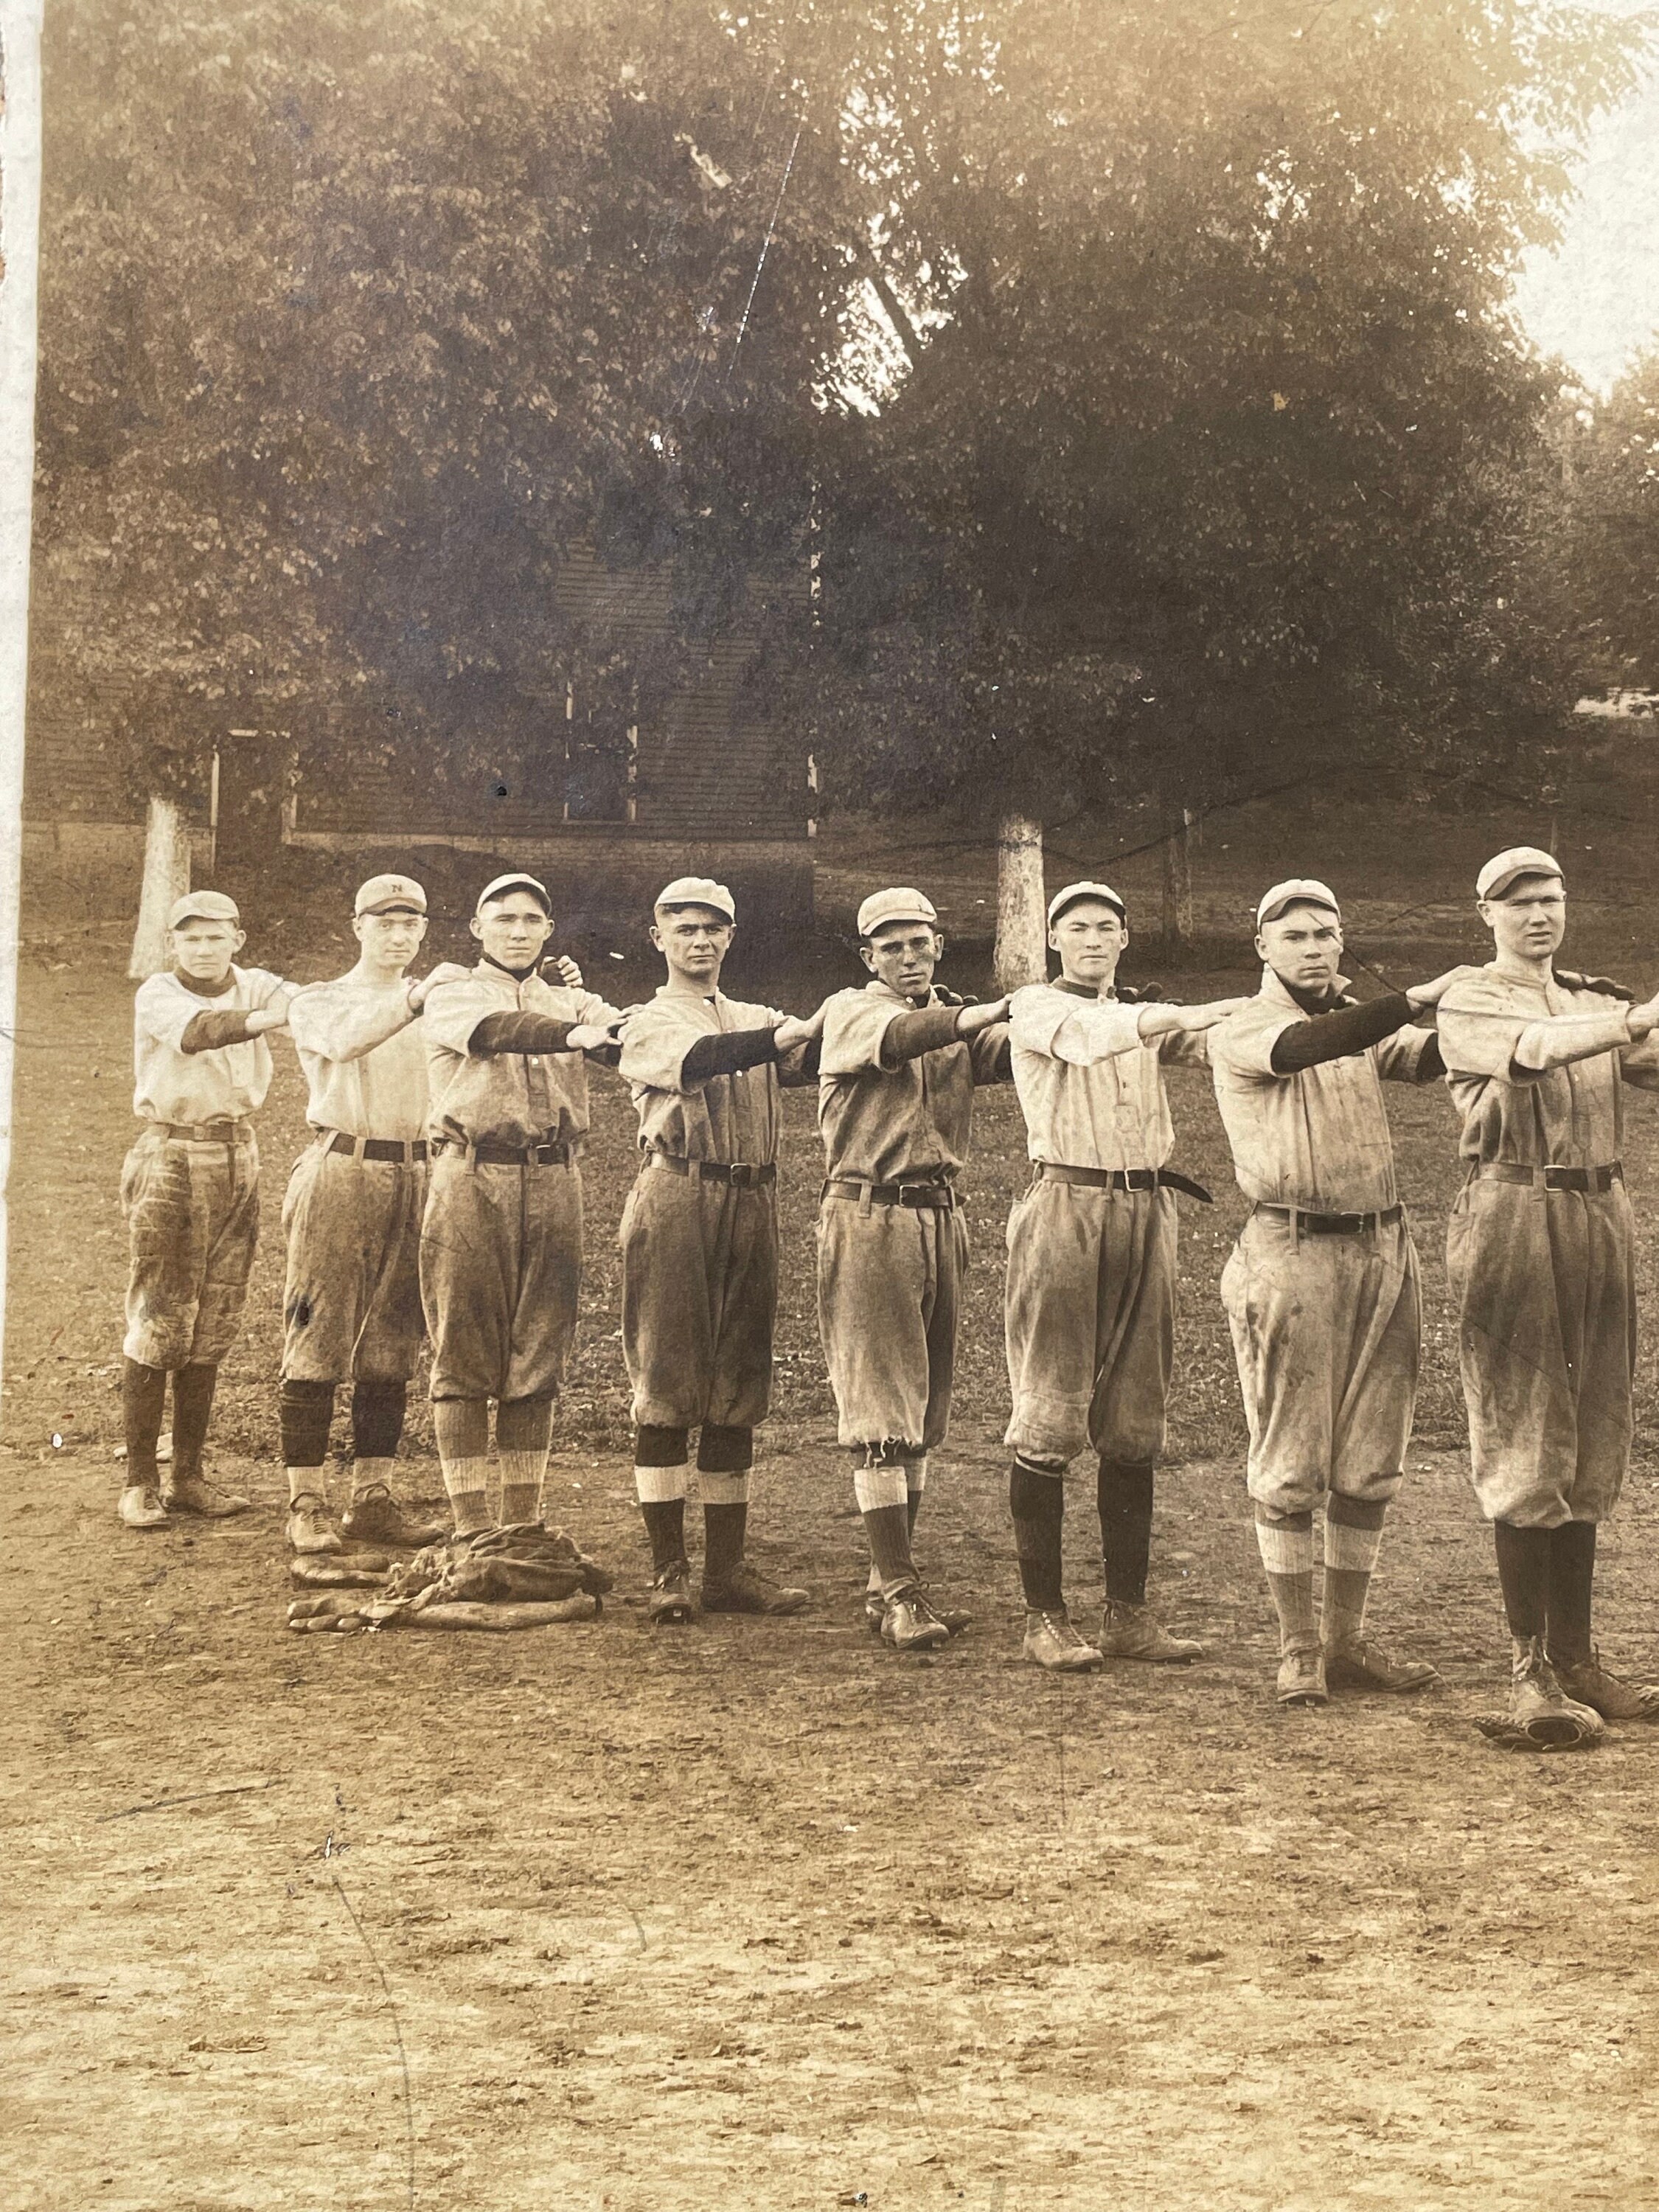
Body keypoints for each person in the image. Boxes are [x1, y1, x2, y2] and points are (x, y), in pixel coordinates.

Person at [1208, 878, 1469, 1705]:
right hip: (1292, 1249)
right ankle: (1297, 1647)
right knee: (1290, 1463)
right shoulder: (1248, 1025)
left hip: (1383, 1248)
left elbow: (1426, 1057)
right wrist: (1415, 998)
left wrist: (1484, 1012)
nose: (1316, 947)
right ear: (1263, 948)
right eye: (1296, 937)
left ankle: (1347, 1641)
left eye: (1327, 932)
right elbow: (1303, 1048)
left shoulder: (1358, 1026)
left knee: (1369, 1463)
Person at [1436, 846, 1659, 1745]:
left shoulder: (1593, 997)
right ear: (1485, 913)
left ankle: (1577, 1656)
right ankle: (1527, 1670)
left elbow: (1638, 1056)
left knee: (1593, 1438)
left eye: (1552, 898)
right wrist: (1632, 1020)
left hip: (1602, 1209)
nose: (1539, 914)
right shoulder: (1471, 998)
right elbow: (1532, 1052)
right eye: (1518, 902)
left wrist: (1634, 1025)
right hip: (1513, 1212)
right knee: (1526, 1437)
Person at [1003, 881, 1246, 1672]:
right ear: (1053, 939)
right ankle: (1043, 1617)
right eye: (1077, 927)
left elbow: (1220, 1046)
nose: (1095, 939)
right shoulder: (1038, 1008)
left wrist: (1252, 1015)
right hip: (1067, 1207)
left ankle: (1127, 1616)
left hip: (1147, 1212)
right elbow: (1102, 1030)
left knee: (1136, 1420)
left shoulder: (1144, 1018)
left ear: (1126, 938)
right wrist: (1182, 1013)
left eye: (1108, 927)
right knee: (1049, 1414)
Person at [615, 877, 823, 1623]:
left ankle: (725, 1572)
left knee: (738, 1386)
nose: (699, 941)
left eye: (713, 929)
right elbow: (704, 1059)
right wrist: (783, 1037)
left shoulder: (756, 1013)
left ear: (731, 936)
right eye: (685, 928)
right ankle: (669, 1570)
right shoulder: (647, 1019)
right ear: (658, 937)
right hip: (678, 1191)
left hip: (752, 1197)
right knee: (669, 1384)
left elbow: (818, 1059)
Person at [814, 886, 1012, 1652]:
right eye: (890, 945)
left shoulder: (957, 1020)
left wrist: (1072, 1012)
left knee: (924, 1409)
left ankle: (890, 1582)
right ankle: (897, 1590)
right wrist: (985, 1013)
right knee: (880, 1407)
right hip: (870, 1213)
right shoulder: (852, 1010)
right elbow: (904, 1037)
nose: (907, 956)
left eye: (919, 943)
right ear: (868, 956)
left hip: (940, 1214)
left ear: (938, 947)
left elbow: (1015, 1050)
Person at [417, 873, 623, 1540]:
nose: (517, 930)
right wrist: (572, 1031)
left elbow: (621, 1036)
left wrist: (597, 1020)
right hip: (473, 1174)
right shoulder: (451, 989)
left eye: (531, 919)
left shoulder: (570, 995)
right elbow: (502, 1029)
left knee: (540, 1352)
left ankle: (523, 1522)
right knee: (466, 1351)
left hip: (556, 1176)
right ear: (477, 928)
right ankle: (473, 1527)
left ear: (547, 929)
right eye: (502, 918)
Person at [278, 873, 469, 1555]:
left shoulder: (437, 1003)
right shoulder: (320, 998)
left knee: (393, 1342)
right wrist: (417, 998)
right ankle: (305, 1502)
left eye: (410, 923)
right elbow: (350, 1040)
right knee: (318, 1334)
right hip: (342, 1166)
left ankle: (372, 1497)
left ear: (423, 929)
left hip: (420, 1171)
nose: (398, 934)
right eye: (383, 921)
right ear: (356, 925)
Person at [117, 889, 295, 1529]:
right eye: (190, 937)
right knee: (161, 1313)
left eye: (215, 936)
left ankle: (189, 1476)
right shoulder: (159, 992)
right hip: (171, 1152)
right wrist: (271, 1014)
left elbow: (317, 1005)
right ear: (173, 943)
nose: (202, 947)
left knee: (213, 1321)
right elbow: (202, 1033)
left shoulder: (257, 983)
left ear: (237, 940)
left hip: (237, 1153)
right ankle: (140, 1481)